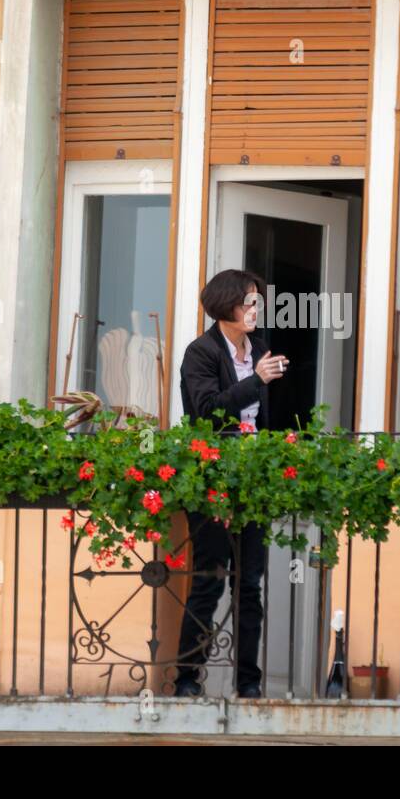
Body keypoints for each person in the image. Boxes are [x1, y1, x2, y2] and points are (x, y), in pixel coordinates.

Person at [173, 269, 288, 698]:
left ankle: (248, 683)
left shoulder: (257, 348)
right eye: (248, 302)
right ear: (226, 306)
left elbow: (264, 417)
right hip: (213, 477)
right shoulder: (200, 353)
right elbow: (207, 412)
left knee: (249, 584)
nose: (256, 309)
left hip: (252, 477)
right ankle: (187, 678)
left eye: (258, 300)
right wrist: (255, 380)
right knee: (209, 578)